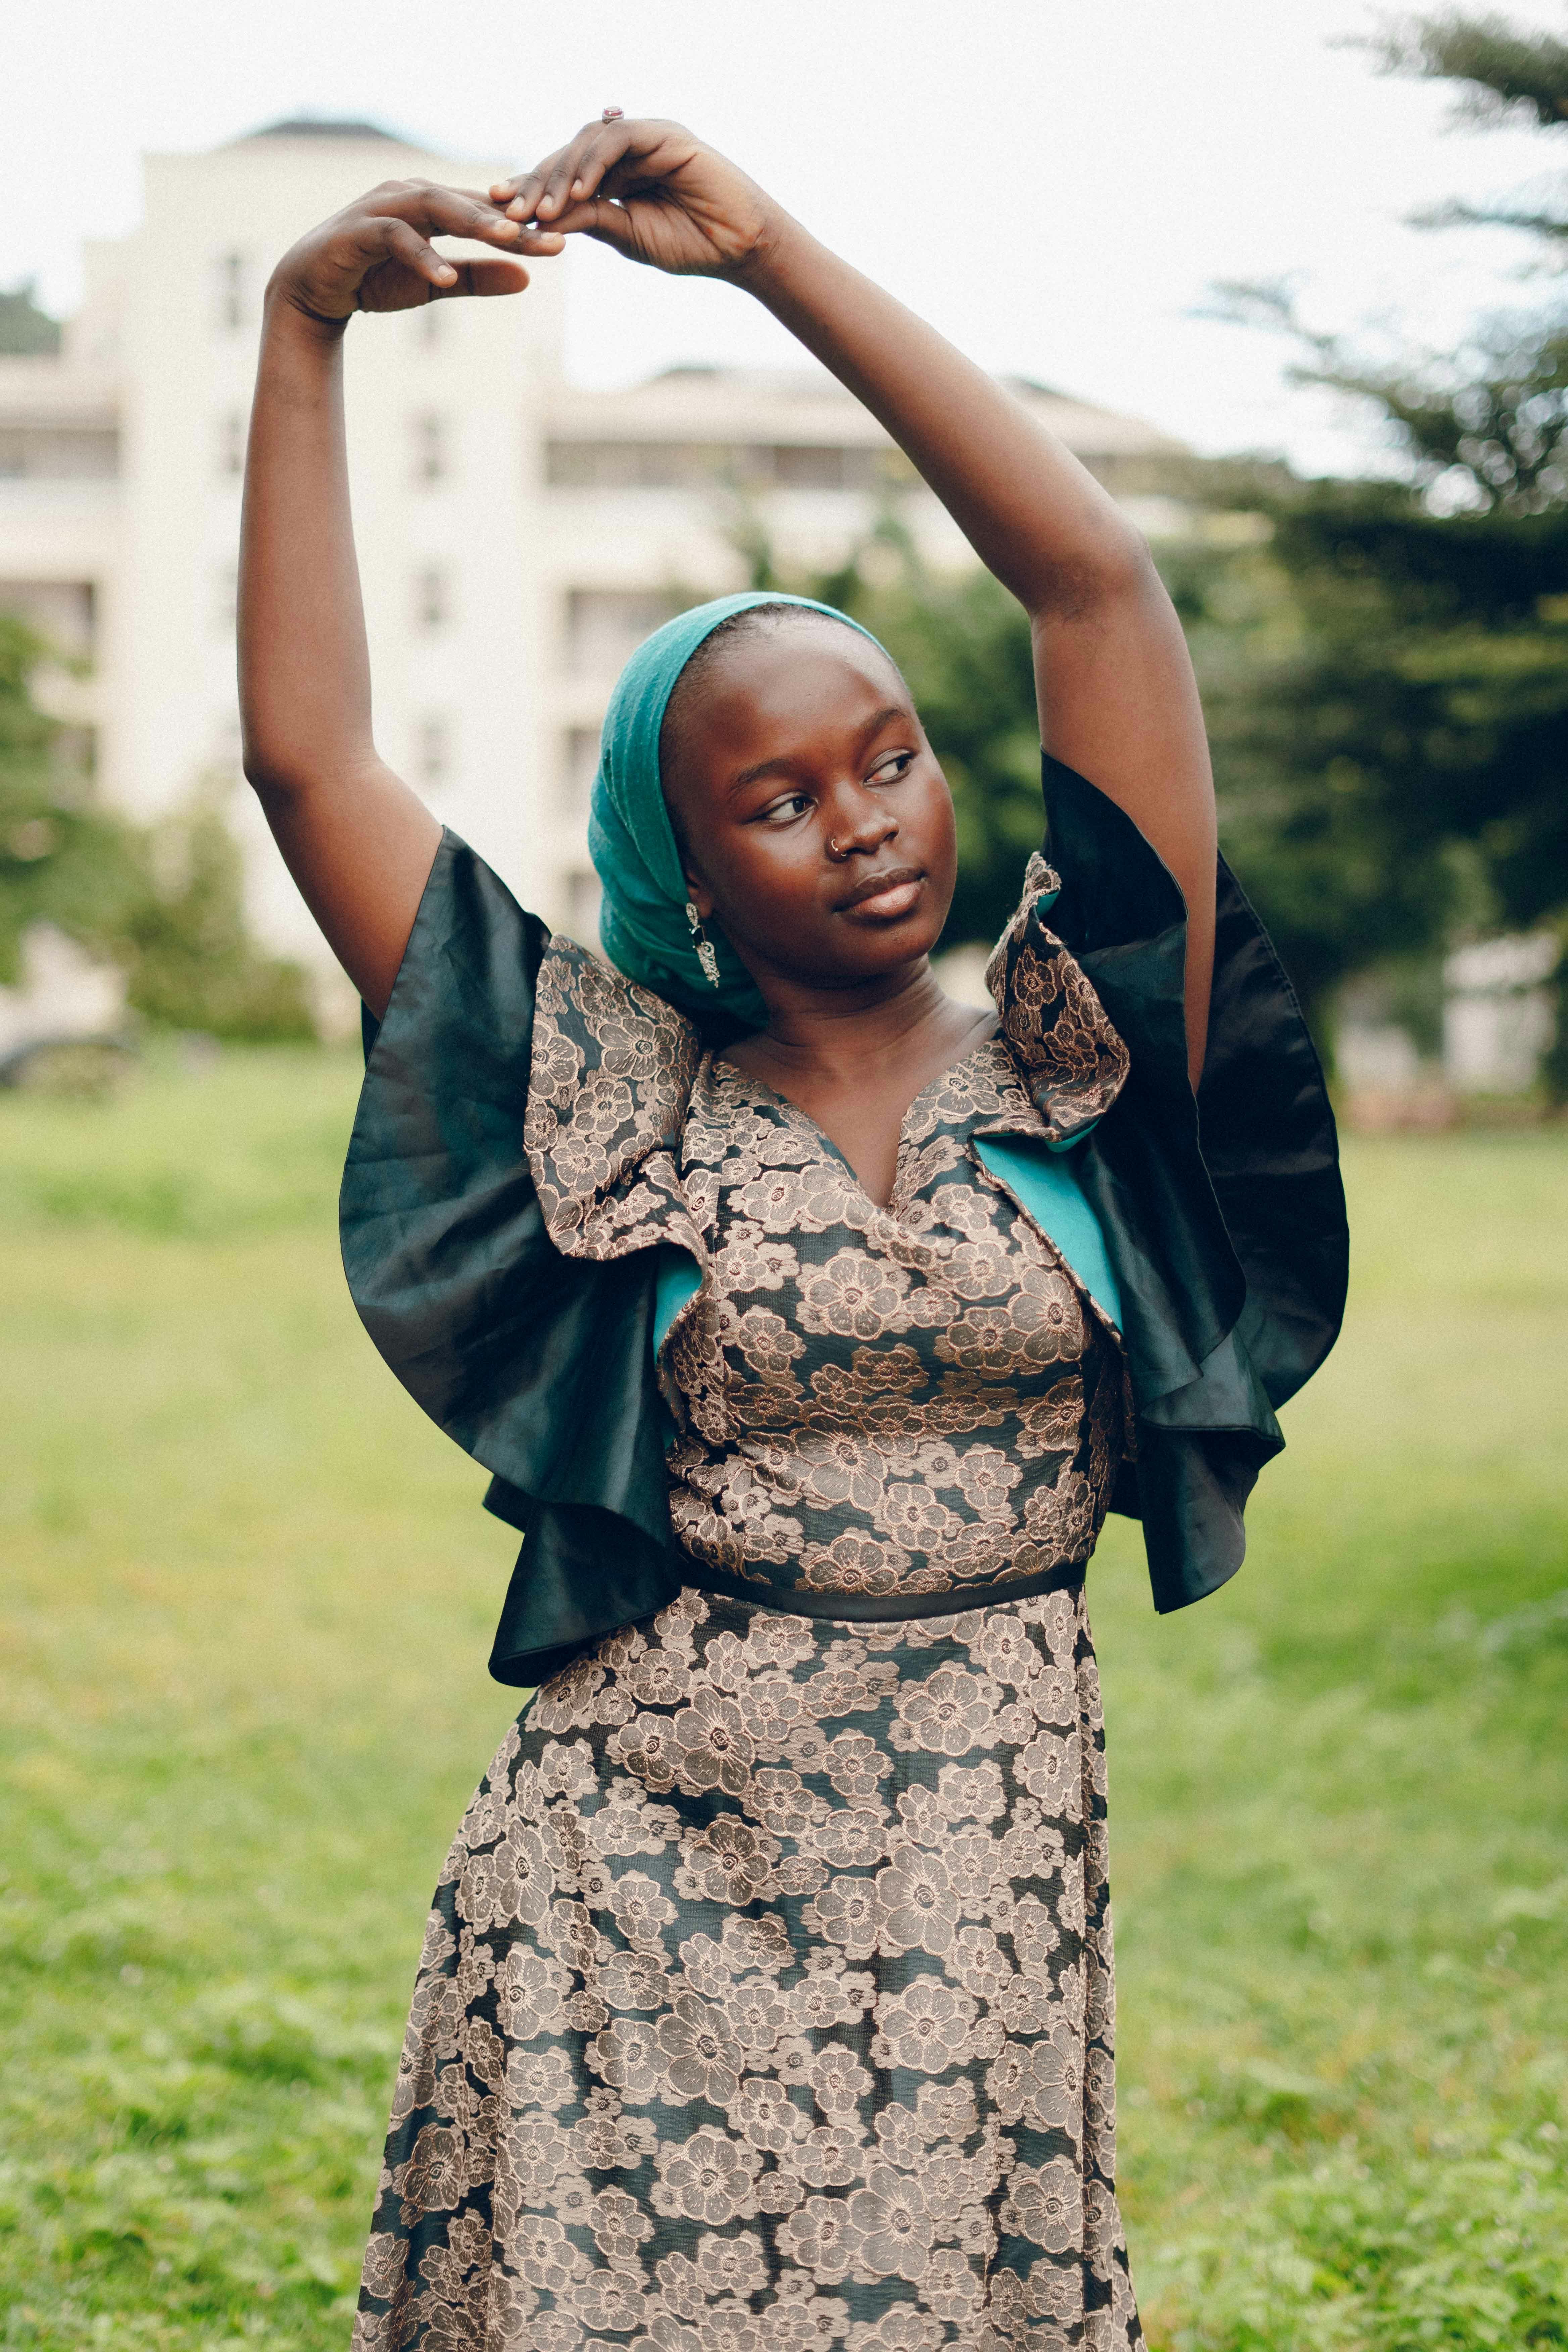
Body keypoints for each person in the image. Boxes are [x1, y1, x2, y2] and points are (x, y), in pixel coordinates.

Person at [239, 116, 1347, 2352]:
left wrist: (772, 261)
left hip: (981, 1841)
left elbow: (1096, 594)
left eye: (892, 757)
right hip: (636, 1839)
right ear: (684, 867)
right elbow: (311, 763)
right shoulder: (609, 1091)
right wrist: (302, 332)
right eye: (779, 798)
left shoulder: (1082, 1047)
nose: (865, 826)